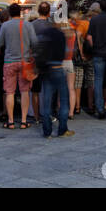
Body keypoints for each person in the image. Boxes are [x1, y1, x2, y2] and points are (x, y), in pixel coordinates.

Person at [35, 10, 73, 139]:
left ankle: (47, 131)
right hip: (58, 67)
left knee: (47, 100)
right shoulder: (60, 34)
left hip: (46, 69)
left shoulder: (43, 34)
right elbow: (65, 52)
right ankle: (62, 129)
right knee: (63, 100)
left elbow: (38, 50)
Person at [0, 4, 35, 128]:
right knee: (25, 92)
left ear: (9, 13)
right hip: (24, 62)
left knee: (10, 92)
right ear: (20, 13)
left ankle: (10, 121)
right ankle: (24, 121)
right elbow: (35, 42)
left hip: (9, 62)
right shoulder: (28, 25)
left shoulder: (5, 26)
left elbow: (0, 43)